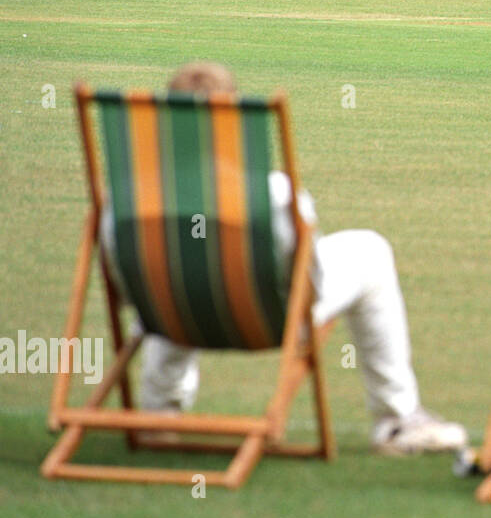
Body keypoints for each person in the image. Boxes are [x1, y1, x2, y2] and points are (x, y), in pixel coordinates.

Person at [102, 62, 468, 456]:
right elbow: (307, 289)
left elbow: (125, 288)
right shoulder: (273, 196)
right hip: (266, 319)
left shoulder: (127, 199)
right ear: (235, 120)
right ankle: (397, 418)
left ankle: (158, 414)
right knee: (371, 251)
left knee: (173, 279)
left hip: (167, 312)